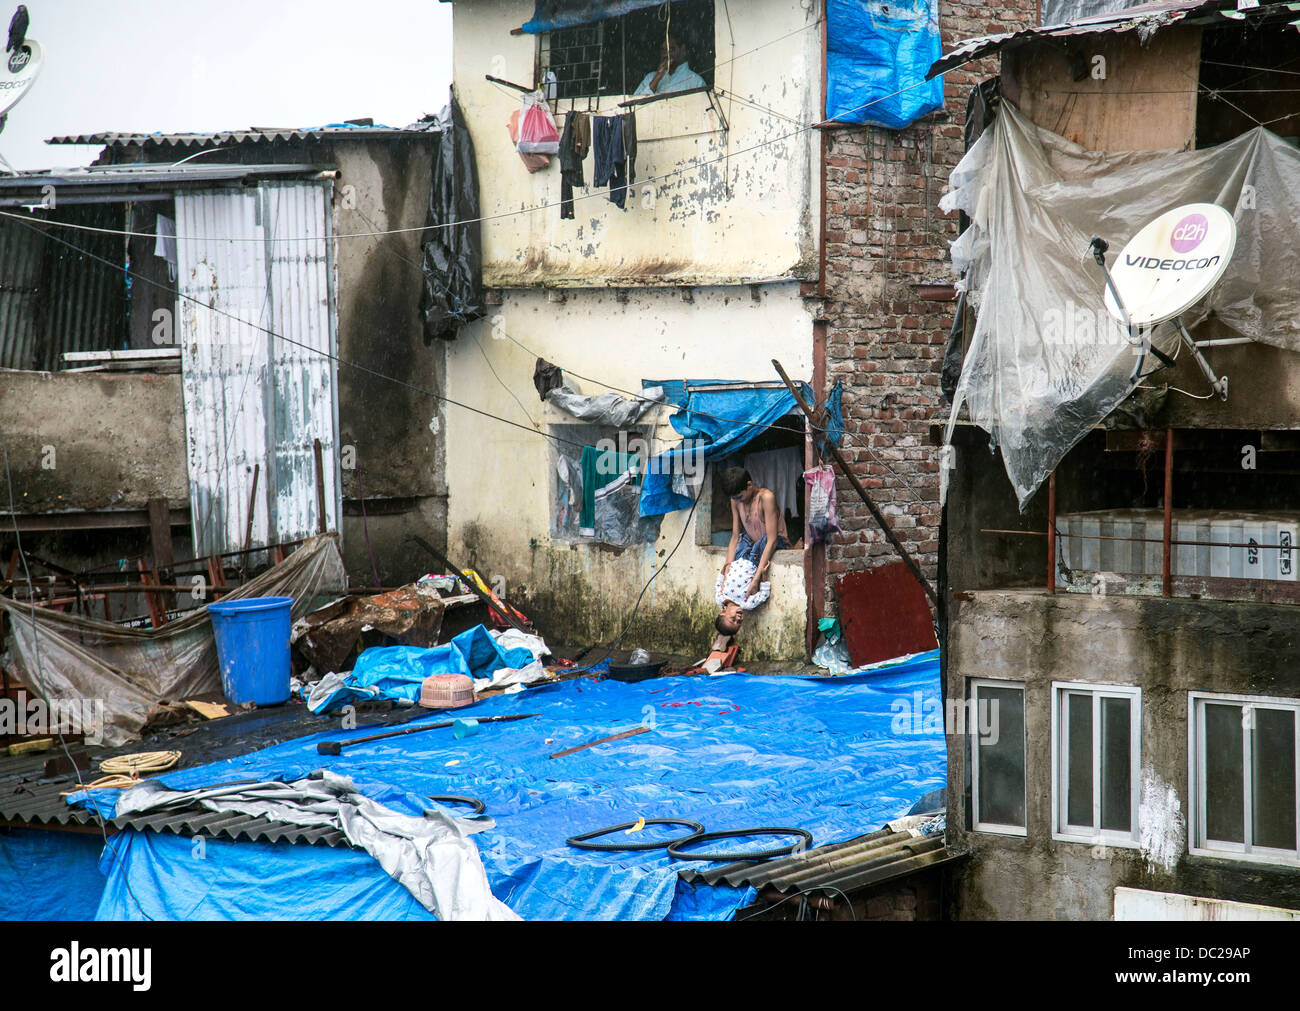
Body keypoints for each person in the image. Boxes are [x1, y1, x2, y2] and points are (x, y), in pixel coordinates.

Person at [720, 465, 789, 603]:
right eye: (735, 498)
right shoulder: (735, 500)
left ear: (749, 485)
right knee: (742, 544)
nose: (738, 501)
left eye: (740, 496)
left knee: (757, 547)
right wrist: (727, 569)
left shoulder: (766, 497)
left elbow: (772, 540)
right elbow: (735, 536)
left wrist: (756, 578)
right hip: (754, 547)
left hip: (774, 543)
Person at [633, 29, 706, 97]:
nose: (665, 55)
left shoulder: (695, 81)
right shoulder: (650, 78)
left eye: (671, 49)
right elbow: (635, 104)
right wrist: (657, 77)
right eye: (663, 50)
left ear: (682, 50)